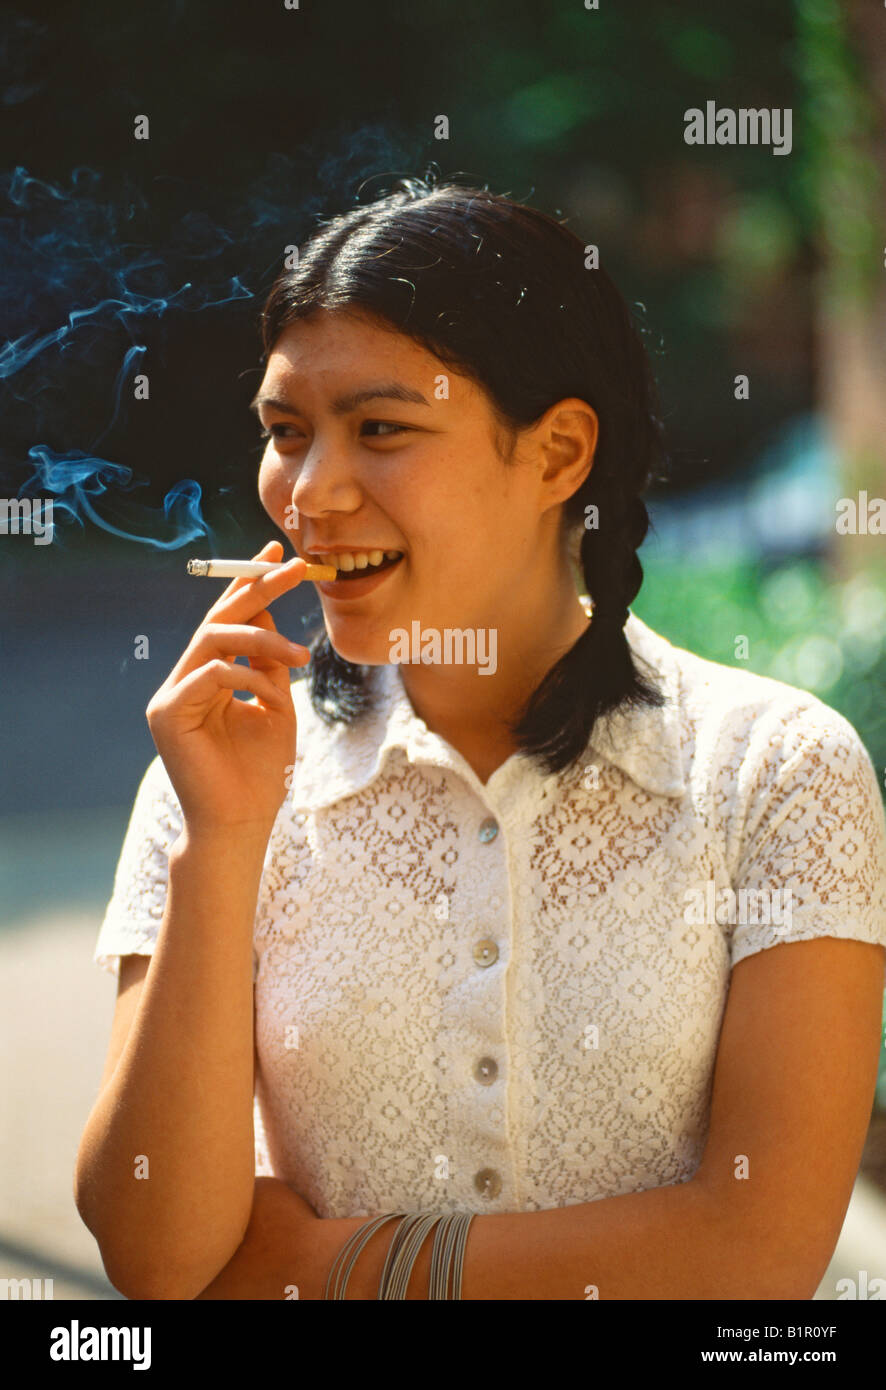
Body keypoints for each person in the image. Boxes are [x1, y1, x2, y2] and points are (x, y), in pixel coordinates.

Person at [74, 172, 886, 1300]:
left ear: (557, 455)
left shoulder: (774, 771)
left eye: (381, 430)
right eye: (286, 432)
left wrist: (326, 1264)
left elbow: (756, 1256)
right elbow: (160, 1258)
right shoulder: (222, 778)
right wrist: (218, 848)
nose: (311, 492)